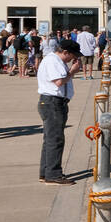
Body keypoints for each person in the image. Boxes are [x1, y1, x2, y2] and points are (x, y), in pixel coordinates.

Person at [37, 39, 82, 185]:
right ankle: (53, 174)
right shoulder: (53, 61)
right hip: (52, 103)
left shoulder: (55, 60)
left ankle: (46, 172)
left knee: (50, 139)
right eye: (73, 55)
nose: (73, 59)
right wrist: (73, 72)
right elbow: (59, 81)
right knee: (55, 139)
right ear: (65, 52)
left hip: (53, 102)